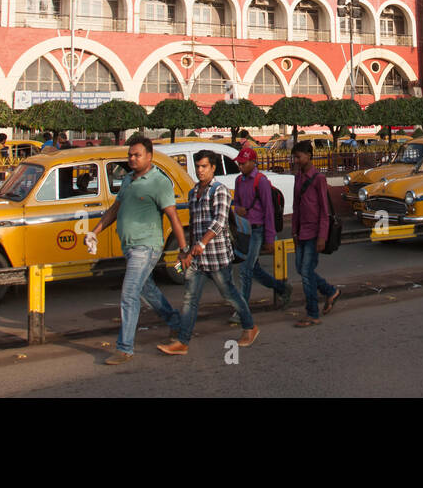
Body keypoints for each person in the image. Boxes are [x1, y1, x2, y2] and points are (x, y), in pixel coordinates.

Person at [87, 134, 189, 365]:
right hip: (130, 246)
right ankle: (175, 322)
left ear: (149, 157)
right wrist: (95, 232)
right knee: (147, 290)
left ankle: (124, 348)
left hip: (147, 246)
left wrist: (184, 249)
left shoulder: (159, 182)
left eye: (137, 155)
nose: (132, 159)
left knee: (129, 293)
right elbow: (115, 209)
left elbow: (173, 216)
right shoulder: (128, 180)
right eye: (130, 155)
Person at [158, 151, 258, 354]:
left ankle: (250, 326)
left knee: (228, 293)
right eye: (198, 167)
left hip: (217, 256)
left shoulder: (219, 190)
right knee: (190, 298)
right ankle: (183, 342)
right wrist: (185, 250)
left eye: (204, 166)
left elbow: (219, 221)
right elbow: (194, 225)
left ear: (213, 168)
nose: (200, 171)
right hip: (197, 259)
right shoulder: (193, 192)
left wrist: (202, 243)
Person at [231, 146, 291, 318]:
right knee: (253, 269)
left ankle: (242, 309)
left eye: (243, 163)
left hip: (258, 230)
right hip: (245, 231)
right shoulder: (239, 181)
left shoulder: (261, 181)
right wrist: (238, 209)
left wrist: (270, 238)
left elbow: (269, 212)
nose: (240, 166)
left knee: (245, 269)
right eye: (239, 163)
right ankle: (281, 288)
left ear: (252, 162)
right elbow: (236, 203)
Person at [290, 140, 339, 328]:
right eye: (295, 157)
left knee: (306, 273)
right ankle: (330, 291)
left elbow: (324, 210)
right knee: (302, 270)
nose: (296, 160)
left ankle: (312, 313)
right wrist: (294, 230)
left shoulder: (318, 178)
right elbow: (296, 206)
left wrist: (322, 236)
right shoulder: (298, 177)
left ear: (308, 156)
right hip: (301, 231)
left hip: (314, 232)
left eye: (298, 156)